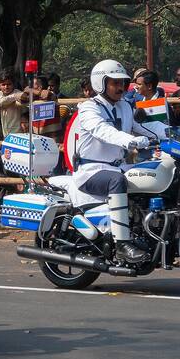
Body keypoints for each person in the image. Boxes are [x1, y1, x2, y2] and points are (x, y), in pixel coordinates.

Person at [71, 59, 158, 263]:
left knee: (153, 172)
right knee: (116, 181)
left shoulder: (125, 107)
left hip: (119, 167)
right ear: (101, 83)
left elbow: (146, 129)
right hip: (91, 170)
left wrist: (173, 135)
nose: (120, 87)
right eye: (114, 83)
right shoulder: (89, 108)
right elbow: (103, 131)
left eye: (123, 83)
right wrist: (130, 141)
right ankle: (122, 245)